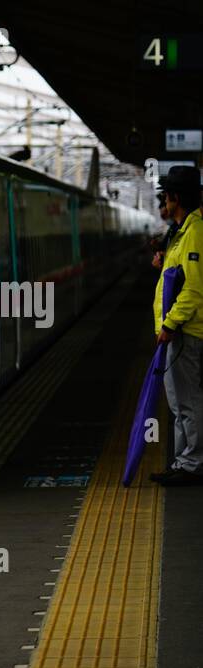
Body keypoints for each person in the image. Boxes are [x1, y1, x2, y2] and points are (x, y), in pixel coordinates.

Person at [151, 165, 203, 486]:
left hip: (186, 332)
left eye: (166, 197)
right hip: (178, 333)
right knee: (178, 401)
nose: (163, 205)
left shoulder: (195, 231)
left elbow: (194, 289)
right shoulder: (182, 230)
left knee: (187, 400)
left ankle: (193, 463)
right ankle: (184, 460)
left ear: (175, 198)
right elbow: (177, 276)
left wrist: (170, 324)